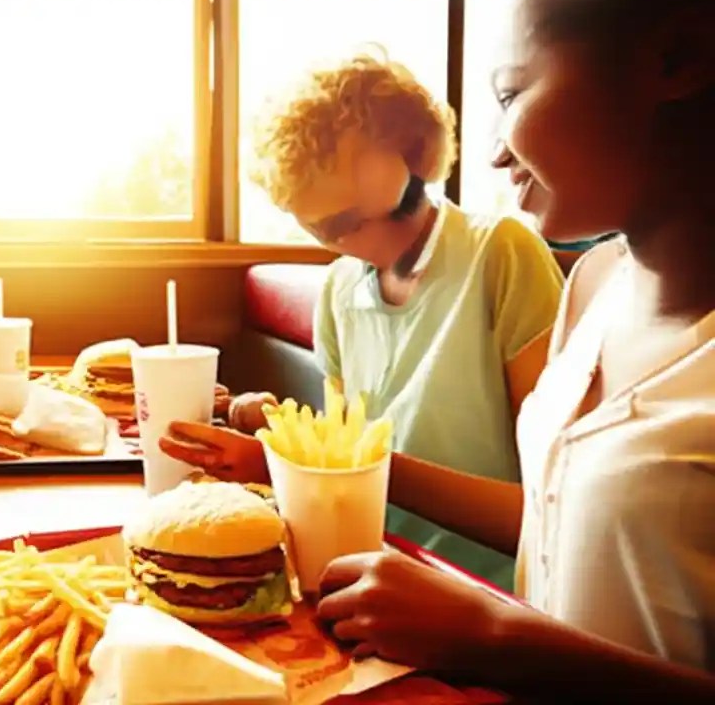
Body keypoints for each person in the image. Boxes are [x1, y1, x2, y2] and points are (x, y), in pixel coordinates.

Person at [176, 0, 715, 699]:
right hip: (431, 616)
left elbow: (522, 527)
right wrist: (284, 455)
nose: (492, 154)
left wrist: (490, 633)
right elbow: (548, 521)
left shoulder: (502, 255)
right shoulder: (594, 283)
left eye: (512, 91)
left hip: (469, 619)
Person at [229, 49, 566, 589]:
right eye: (319, 230)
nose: (339, 243)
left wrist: (364, 469)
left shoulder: (501, 253)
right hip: (364, 570)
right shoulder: (340, 289)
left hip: (485, 593)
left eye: (342, 222)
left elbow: (552, 504)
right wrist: (277, 437)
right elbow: (343, 460)